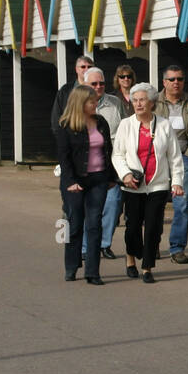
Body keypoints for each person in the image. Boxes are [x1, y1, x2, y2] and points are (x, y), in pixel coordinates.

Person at [112, 83, 184, 283]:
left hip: (158, 185)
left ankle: (147, 267)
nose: (138, 103)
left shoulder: (164, 125)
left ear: (152, 102)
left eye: (142, 99)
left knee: (153, 227)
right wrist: (125, 175)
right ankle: (130, 259)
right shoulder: (126, 125)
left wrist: (177, 182)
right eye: (135, 100)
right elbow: (117, 155)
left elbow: (174, 157)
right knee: (133, 227)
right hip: (133, 185)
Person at [54, 84, 113, 285]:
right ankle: (71, 266)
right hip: (75, 181)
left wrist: (111, 177)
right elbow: (64, 157)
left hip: (99, 179)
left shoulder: (101, 122)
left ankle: (93, 272)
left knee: (95, 223)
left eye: (95, 101)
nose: (95, 104)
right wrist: (70, 181)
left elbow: (108, 150)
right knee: (75, 222)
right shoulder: (66, 126)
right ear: (80, 103)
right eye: (91, 101)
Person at [157, 64, 188, 264]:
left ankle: (177, 248)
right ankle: (152, 245)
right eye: (172, 79)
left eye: (179, 79)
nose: (176, 82)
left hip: (183, 158)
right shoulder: (154, 102)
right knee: (155, 205)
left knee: (182, 205)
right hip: (157, 159)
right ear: (164, 82)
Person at [81, 67, 128, 261]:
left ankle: (104, 244)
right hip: (87, 164)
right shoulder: (77, 105)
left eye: (101, 83)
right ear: (85, 85)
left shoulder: (115, 103)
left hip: (112, 161)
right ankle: (85, 247)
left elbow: (125, 128)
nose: (99, 87)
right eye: (94, 84)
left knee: (113, 202)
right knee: (87, 207)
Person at [51, 54, 95, 137]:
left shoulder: (97, 89)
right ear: (76, 69)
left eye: (89, 67)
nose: (86, 69)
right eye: (83, 67)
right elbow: (56, 117)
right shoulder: (65, 91)